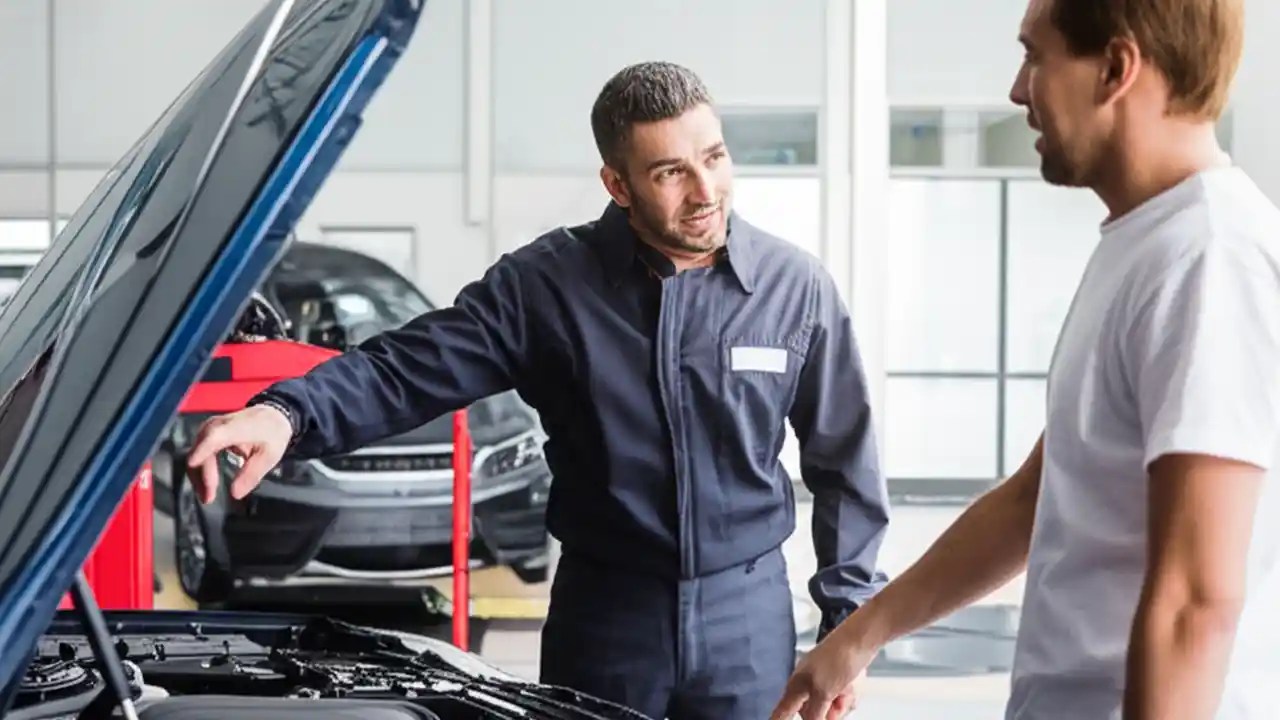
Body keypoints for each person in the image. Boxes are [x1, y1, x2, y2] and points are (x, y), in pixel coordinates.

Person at [186, 61, 890, 720]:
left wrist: (849, 621)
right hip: (607, 619)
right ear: (618, 184)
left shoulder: (794, 290)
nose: (705, 191)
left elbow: (845, 462)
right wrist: (287, 412)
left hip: (747, 618)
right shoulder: (546, 287)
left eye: (714, 157)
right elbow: (408, 367)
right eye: (671, 172)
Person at [772, 0, 1280, 718]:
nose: (1018, 90)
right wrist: (859, 637)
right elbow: (1036, 496)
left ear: (1115, 68)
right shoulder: (1146, 243)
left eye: (1035, 57)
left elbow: (1196, 602)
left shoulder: (1210, 258)